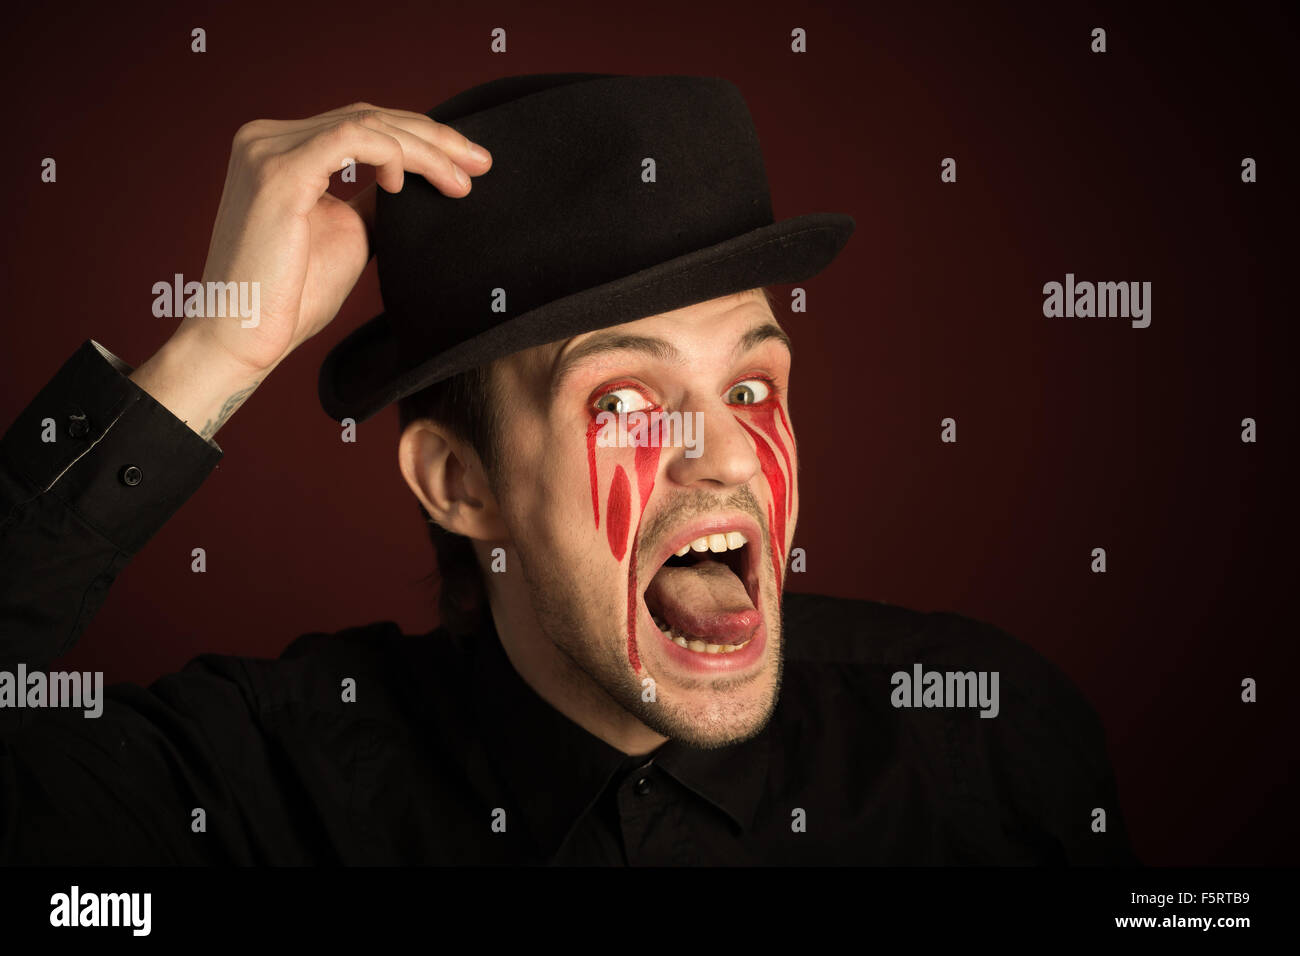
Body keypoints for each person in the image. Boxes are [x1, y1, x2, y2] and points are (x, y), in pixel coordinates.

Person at [0, 73, 1137, 864]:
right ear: (459, 483)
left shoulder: (981, 739)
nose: (726, 453)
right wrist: (212, 351)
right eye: (630, 402)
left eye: (748, 387)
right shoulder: (258, 789)